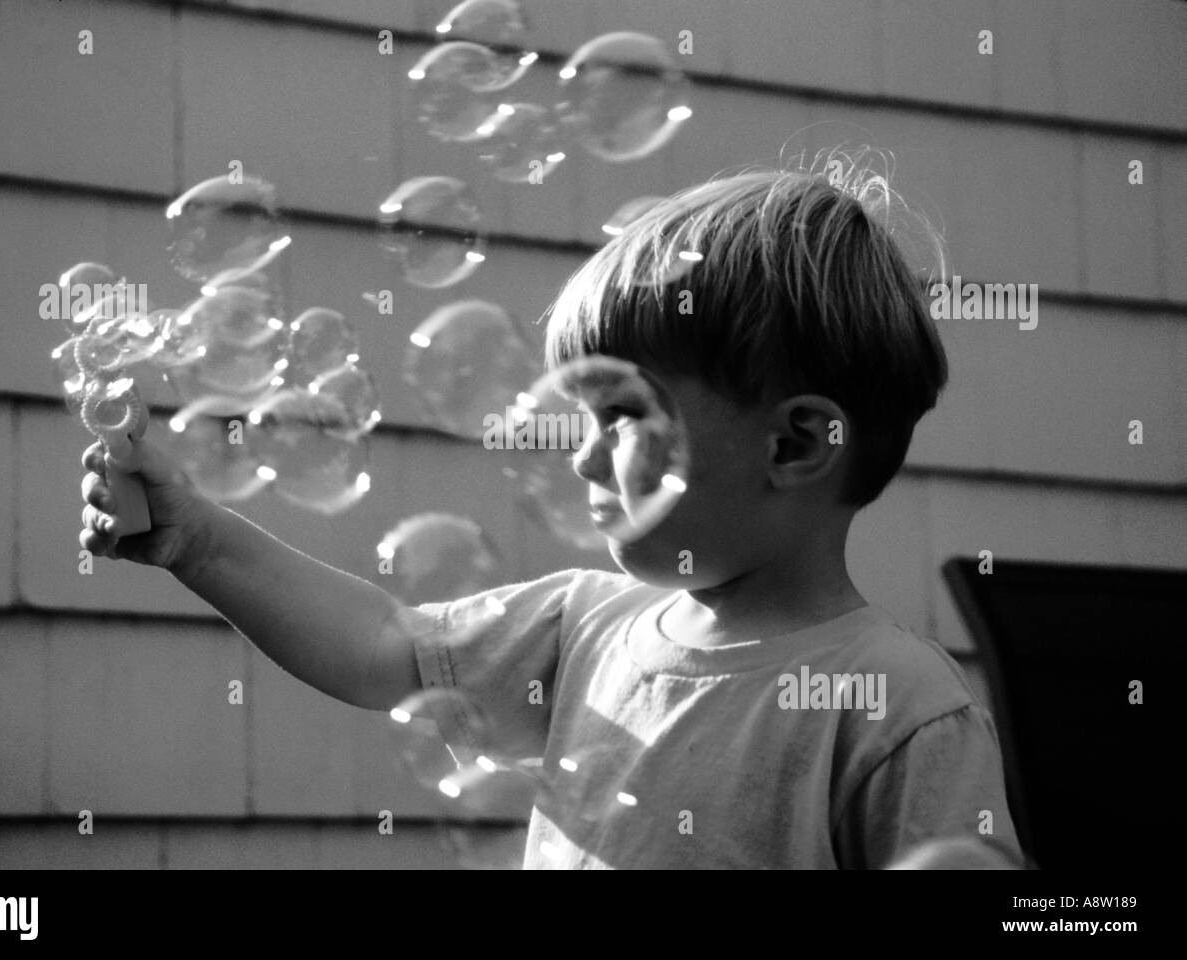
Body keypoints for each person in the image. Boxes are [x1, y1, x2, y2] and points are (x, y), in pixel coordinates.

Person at [79, 155, 1023, 869]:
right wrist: (198, 538)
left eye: (621, 412)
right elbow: (380, 646)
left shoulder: (899, 707)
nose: (579, 451)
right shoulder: (583, 624)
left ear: (795, 445)